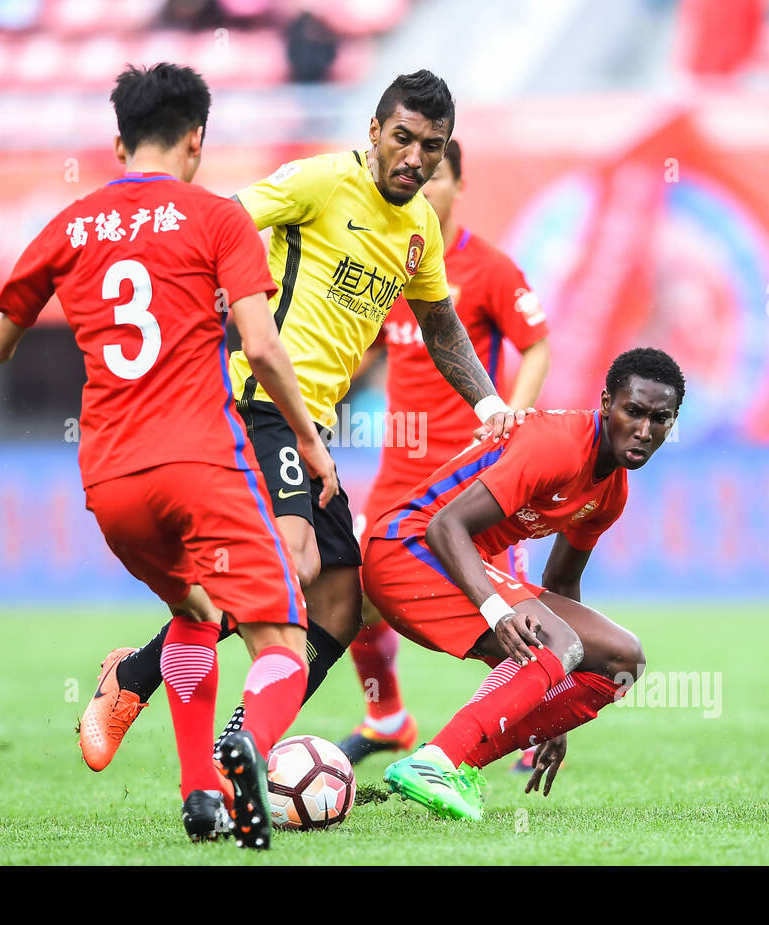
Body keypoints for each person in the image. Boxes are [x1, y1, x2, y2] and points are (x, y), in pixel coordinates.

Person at [85, 69, 524, 767]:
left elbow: (441, 328)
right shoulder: (321, 183)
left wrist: (491, 402)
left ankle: (240, 746)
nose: (414, 157)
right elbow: (220, 221)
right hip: (257, 403)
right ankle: (133, 681)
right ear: (374, 132)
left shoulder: (418, 232)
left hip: (311, 427)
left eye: (431, 147)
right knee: (290, 564)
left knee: (341, 605)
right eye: (402, 138)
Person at [0, 63, 337, 849]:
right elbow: (262, 348)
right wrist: (307, 436)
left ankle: (200, 795)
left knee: (195, 612)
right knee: (284, 644)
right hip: (202, 463)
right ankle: (250, 751)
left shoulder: (73, 224)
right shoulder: (216, 218)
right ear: (197, 136)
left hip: (110, 481)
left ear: (118, 141)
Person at [363, 348, 684, 820]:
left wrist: (555, 702)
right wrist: (498, 609)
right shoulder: (557, 444)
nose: (643, 430)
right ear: (605, 404)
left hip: (447, 560)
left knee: (623, 657)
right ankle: (439, 762)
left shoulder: (611, 491)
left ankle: (452, 764)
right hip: (406, 551)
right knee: (552, 638)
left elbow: (561, 581)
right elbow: (444, 527)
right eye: (632, 411)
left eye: (660, 418)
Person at [341, 138, 550, 765]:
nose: (425, 185)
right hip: (396, 476)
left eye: (437, 177)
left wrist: (513, 417)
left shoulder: (490, 268)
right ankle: (388, 717)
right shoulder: (385, 264)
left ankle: (525, 717)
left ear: (459, 186)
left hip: (470, 478)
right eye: (419, 175)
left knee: (503, 608)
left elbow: (536, 345)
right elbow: (365, 347)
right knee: (354, 592)